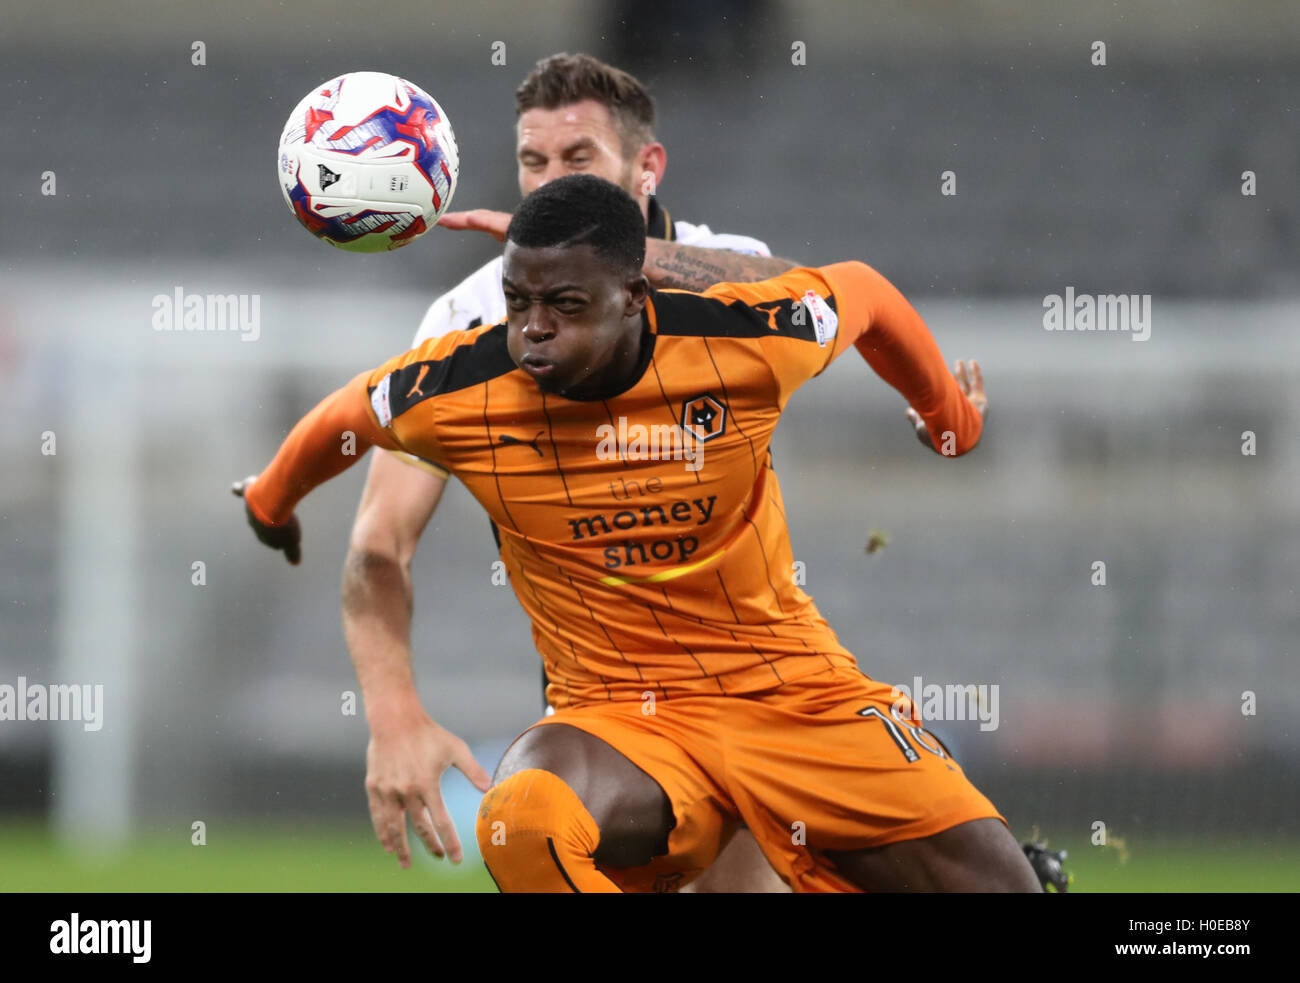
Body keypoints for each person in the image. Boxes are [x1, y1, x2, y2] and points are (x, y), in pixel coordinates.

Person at [234, 174, 1042, 892]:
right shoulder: (456, 386)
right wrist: (269, 504)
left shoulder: (746, 340)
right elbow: (338, 422)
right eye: (518, 302)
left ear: (634, 293)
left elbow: (864, 293)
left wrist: (950, 417)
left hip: (793, 694)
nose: (533, 330)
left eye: (565, 305)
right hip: (621, 721)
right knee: (521, 816)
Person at [346, 52, 796, 892]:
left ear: (646, 167)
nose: (548, 182)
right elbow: (379, 540)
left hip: (753, 684)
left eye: (578, 160)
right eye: (532, 162)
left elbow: (812, 294)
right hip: (602, 704)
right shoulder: (466, 318)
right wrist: (393, 714)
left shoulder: (729, 265)